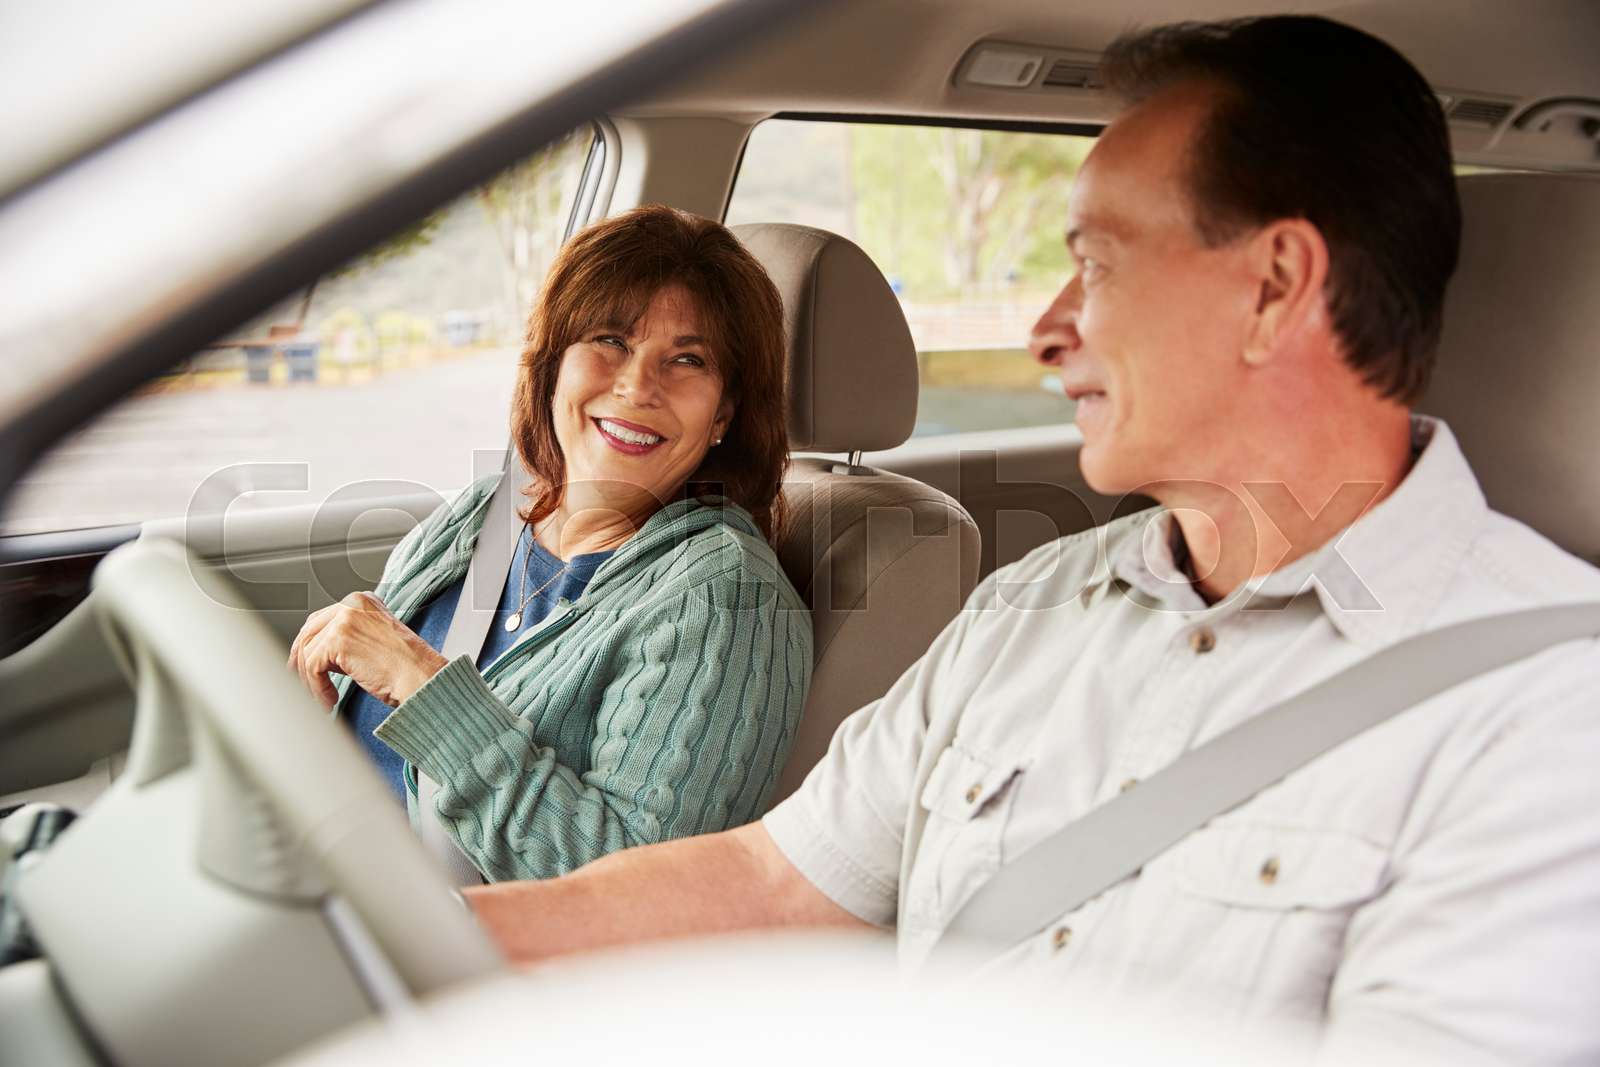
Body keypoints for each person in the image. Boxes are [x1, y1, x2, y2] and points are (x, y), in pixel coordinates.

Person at [462, 16, 1600, 1063]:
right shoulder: (1035, 602)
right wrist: (417, 946)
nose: (1045, 326)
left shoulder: (1548, 706)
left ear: (1274, 285)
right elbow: (770, 876)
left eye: (1096, 262)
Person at [285, 205, 813, 883]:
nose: (636, 386)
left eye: (687, 359)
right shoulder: (487, 513)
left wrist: (421, 683)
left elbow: (630, 894)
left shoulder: (726, 598)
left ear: (723, 416)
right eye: (611, 340)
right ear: (554, 366)